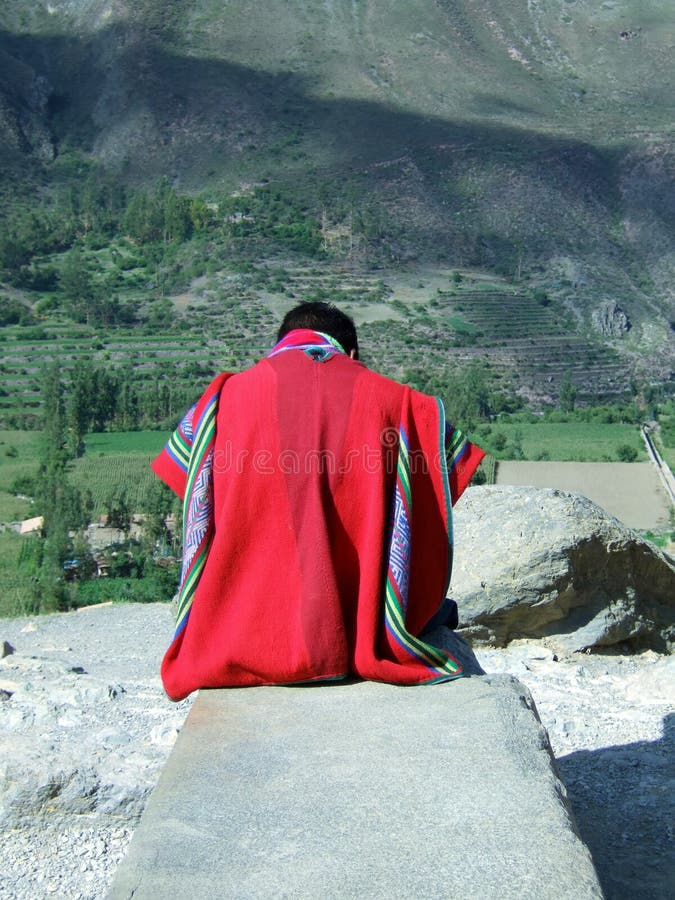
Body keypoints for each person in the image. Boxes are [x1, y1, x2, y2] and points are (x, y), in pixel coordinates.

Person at [152, 301, 484, 700]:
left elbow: (188, 489)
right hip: (358, 638)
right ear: (353, 354)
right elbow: (445, 483)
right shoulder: (404, 405)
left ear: (278, 346)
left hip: (239, 639)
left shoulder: (219, 402)